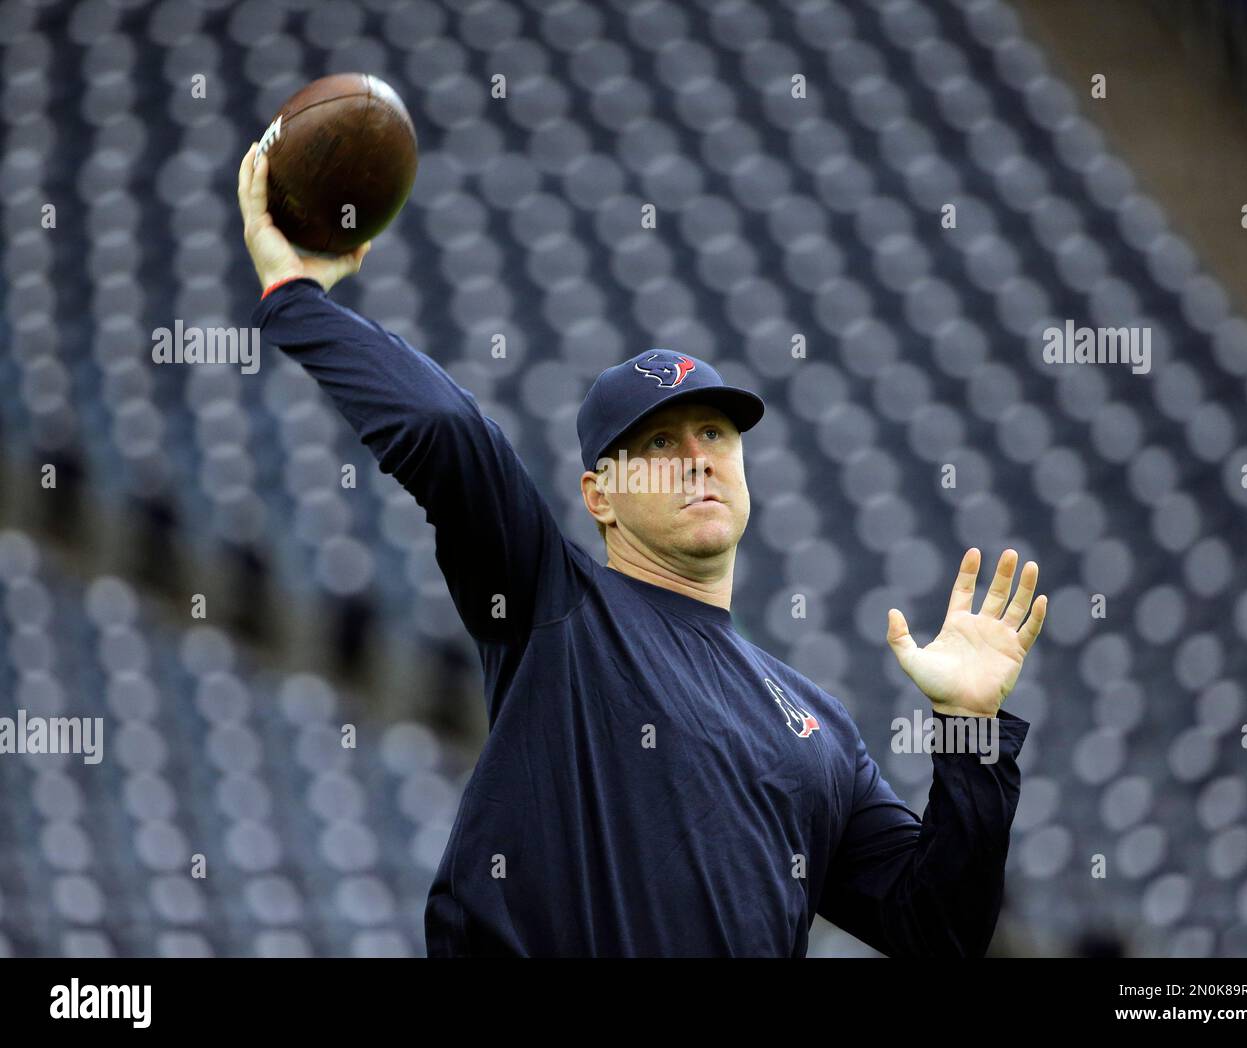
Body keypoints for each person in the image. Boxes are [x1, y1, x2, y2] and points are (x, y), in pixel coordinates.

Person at [237, 141, 1049, 957]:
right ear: (601, 498)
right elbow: (444, 430)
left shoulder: (821, 728)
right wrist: (296, 294)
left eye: (714, 432)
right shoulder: (553, 607)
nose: (697, 454)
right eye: (658, 443)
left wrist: (969, 730)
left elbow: (937, 929)